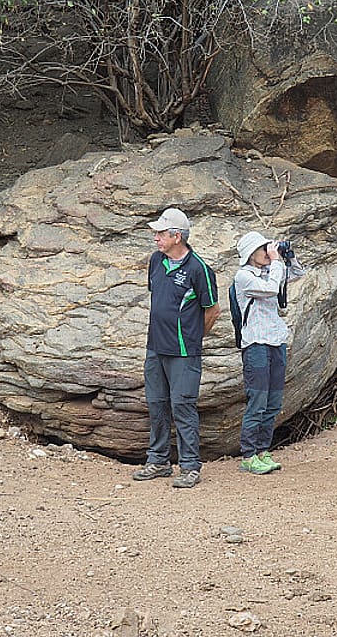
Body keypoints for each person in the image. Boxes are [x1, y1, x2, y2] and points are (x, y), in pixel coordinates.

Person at [132, 207, 220, 489]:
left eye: (160, 233)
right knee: (156, 404)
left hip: (183, 352)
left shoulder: (199, 269)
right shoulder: (156, 261)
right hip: (155, 347)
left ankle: (190, 466)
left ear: (177, 236)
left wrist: (193, 338)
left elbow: (212, 310)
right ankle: (158, 461)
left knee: (182, 406)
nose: (155, 237)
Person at [233, 231, 305, 475]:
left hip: (275, 342)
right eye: (263, 249)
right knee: (258, 400)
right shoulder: (244, 277)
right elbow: (272, 289)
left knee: (273, 402)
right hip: (255, 344)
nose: (267, 252)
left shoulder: (269, 271)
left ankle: (263, 450)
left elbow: (297, 274)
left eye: (268, 247)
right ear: (250, 254)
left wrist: (288, 256)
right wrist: (275, 261)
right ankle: (248, 455)